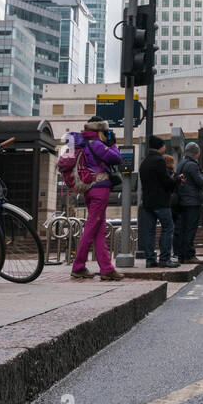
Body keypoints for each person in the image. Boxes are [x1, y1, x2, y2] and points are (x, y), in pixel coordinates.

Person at [71, 117, 124, 281]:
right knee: (91, 227)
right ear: (99, 130)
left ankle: (107, 268)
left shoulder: (82, 143)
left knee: (99, 230)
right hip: (100, 188)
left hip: (88, 189)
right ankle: (78, 266)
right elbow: (116, 158)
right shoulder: (96, 144)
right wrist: (112, 144)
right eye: (105, 132)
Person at [138, 136, 180, 269]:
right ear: (160, 146)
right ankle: (164, 259)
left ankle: (150, 260)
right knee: (168, 228)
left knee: (149, 231)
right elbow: (166, 182)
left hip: (147, 203)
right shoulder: (159, 161)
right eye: (163, 145)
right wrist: (177, 180)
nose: (165, 148)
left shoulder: (144, 162)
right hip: (160, 202)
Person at [175, 141, 203, 263]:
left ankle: (181, 255)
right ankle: (190, 255)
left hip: (182, 200)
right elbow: (200, 182)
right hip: (192, 201)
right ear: (196, 154)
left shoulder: (181, 163)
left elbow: (191, 178)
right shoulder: (192, 165)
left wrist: (200, 173)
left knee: (183, 228)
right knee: (190, 229)